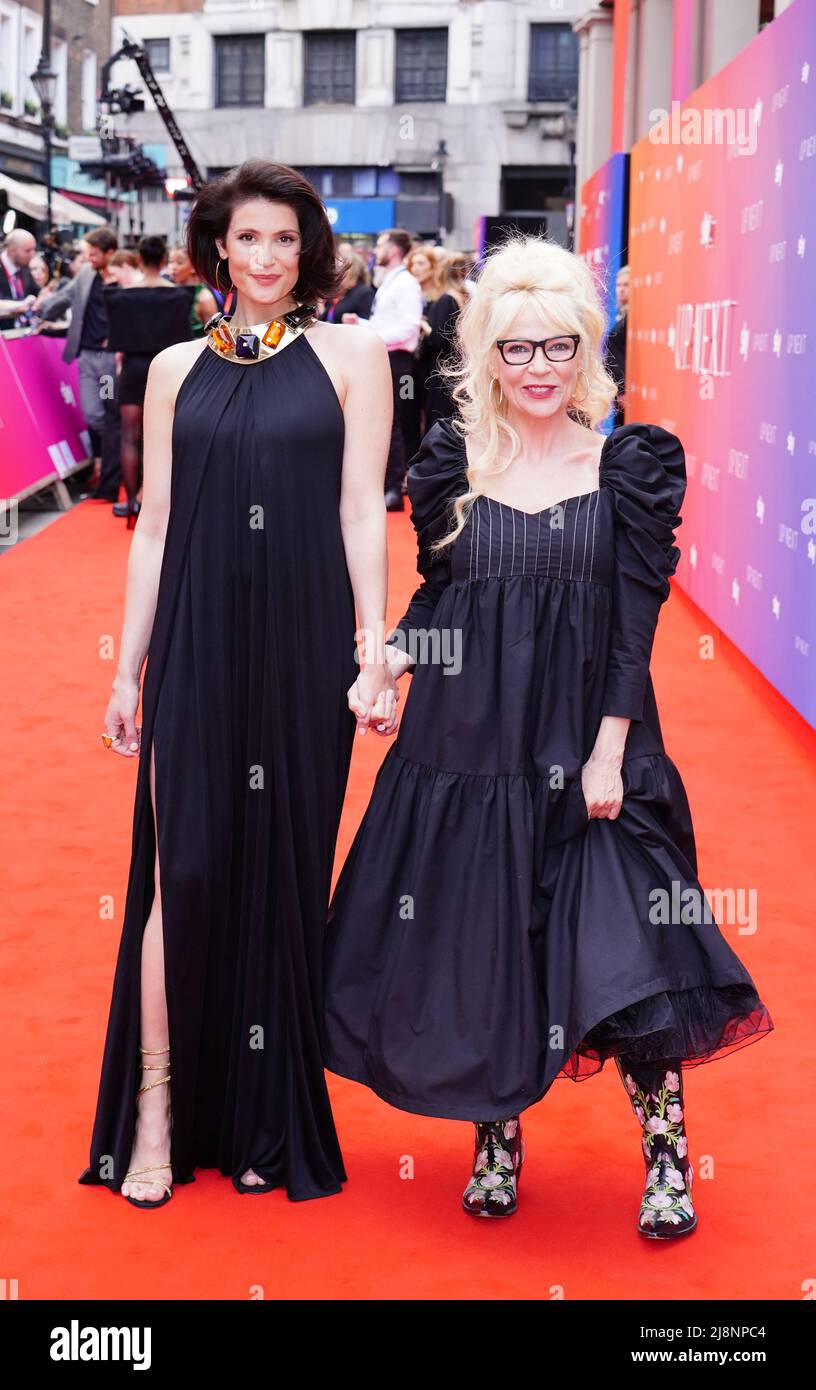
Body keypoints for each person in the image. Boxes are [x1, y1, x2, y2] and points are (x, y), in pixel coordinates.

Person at [322, 234, 773, 1235]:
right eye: (517, 348)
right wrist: (387, 660)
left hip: (590, 751)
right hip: (470, 747)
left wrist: (611, 748)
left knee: (633, 957)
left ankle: (666, 1160)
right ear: (486, 354)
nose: (537, 367)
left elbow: (632, 627)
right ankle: (496, 1134)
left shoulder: (629, 465)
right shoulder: (453, 464)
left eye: (558, 346)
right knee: (487, 946)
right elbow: (452, 601)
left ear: (587, 353)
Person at [77, 157, 396, 1208]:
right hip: (201, 642)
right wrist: (127, 670)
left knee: (285, 873)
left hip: (305, 647)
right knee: (187, 871)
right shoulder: (172, 368)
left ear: (309, 251)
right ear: (217, 246)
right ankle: (158, 1113)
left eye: (284, 239)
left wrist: (371, 646)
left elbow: (362, 512)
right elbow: (156, 528)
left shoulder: (354, 357)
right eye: (246, 237)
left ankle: (265, 1113)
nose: (264, 257)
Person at [103, 236, 195, 527]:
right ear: (164, 260)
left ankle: (131, 505)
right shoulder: (181, 296)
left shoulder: (120, 297)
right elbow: (184, 340)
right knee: (165, 440)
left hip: (133, 369)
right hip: (167, 372)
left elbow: (114, 340)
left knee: (129, 438)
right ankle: (159, 508)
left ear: (139, 260)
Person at [37, 227, 122, 503]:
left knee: (110, 417)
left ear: (109, 253)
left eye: (94, 254)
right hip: (86, 356)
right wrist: (39, 309)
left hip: (111, 360)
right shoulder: (86, 274)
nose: (89, 258)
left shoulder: (123, 278)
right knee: (93, 415)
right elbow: (65, 297)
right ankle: (117, 456)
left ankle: (115, 469)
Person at [341, 228, 423, 512]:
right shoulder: (391, 281)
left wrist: (370, 333)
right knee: (384, 422)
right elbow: (389, 324)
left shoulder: (407, 283)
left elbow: (409, 329)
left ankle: (393, 489)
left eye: (380, 244)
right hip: (385, 357)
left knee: (394, 422)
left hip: (398, 361)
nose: (376, 249)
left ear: (395, 248)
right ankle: (386, 486)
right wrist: (363, 325)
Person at [406, 244, 461, 450]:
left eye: (421, 263)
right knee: (407, 407)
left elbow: (440, 335)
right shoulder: (407, 292)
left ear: (434, 267)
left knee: (432, 412)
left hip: (431, 368)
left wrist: (426, 326)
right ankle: (411, 457)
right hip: (408, 370)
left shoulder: (443, 297)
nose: (416, 268)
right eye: (412, 264)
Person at [167, 242, 218, 336]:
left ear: (194, 267)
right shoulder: (167, 291)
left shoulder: (204, 298)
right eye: (170, 262)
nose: (172, 267)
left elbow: (213, 338)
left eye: (179, 262)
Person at [605, 264, 629, 427]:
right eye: (619, 285)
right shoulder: (622, 315)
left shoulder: (633, 318)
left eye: (626, 285)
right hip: (617, 389)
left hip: (625, 390)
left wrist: (623, 390)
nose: (621, 289)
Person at [0, 229, 38, 329]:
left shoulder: (24, 267)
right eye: (28, 250)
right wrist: (21, 305)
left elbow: (36, 292)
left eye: (34, 249)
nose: (32, 255)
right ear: (12, 250)